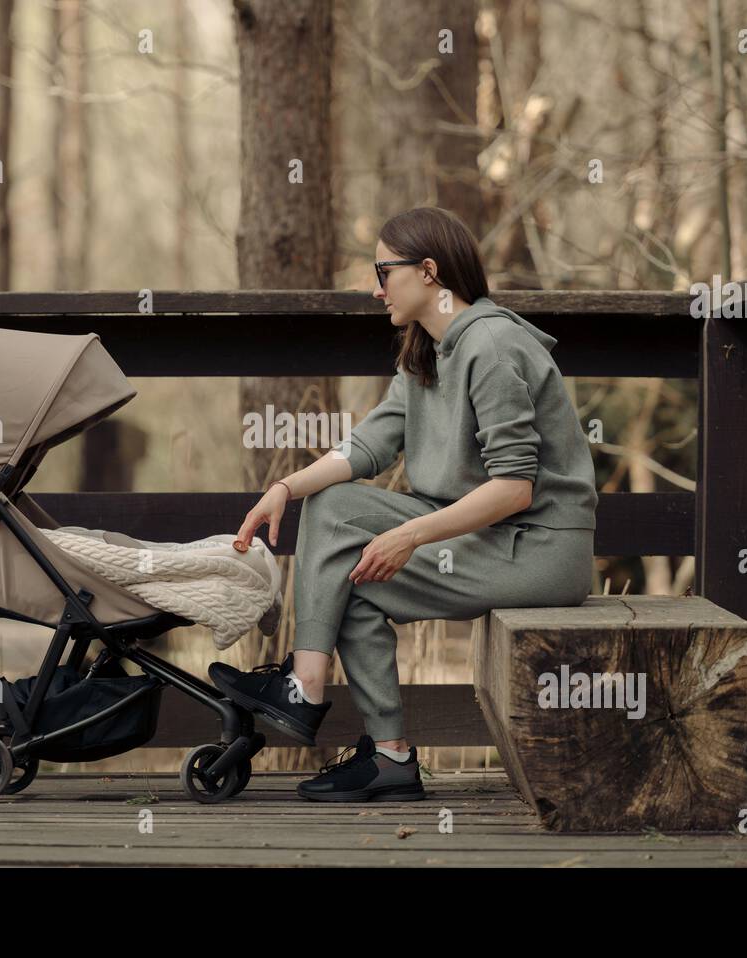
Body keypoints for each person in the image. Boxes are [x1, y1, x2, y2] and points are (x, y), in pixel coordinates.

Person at [209, 206, 598, 802]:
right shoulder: (428, 352)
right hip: (488, 540)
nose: (375, 287)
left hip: (538, 547)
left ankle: (304, 686)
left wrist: (410, 536)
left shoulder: (491, 347)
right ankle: (389, 755)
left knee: (339, 519)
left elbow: (516, 486)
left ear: (429, 271)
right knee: (352, 576)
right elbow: (369, 445)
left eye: (383, 271)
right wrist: (284, 487)